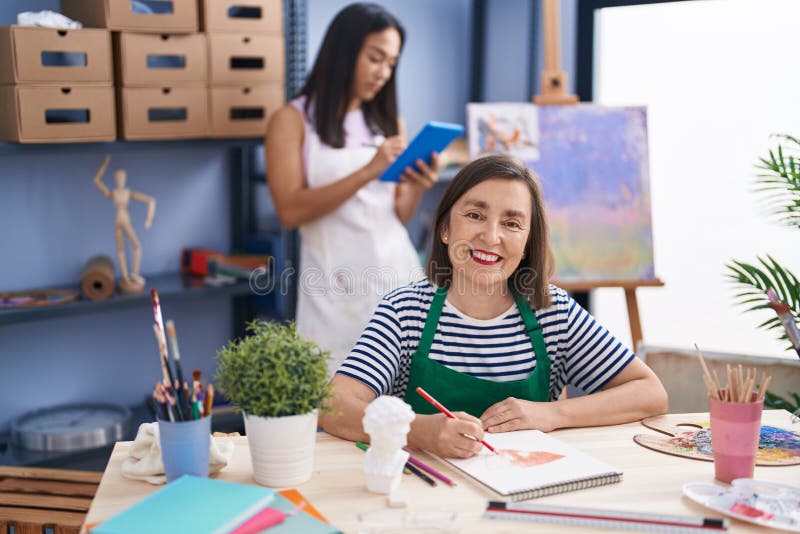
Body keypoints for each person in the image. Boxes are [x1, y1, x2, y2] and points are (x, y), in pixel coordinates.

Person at [319, 154, 668, 458]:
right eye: (474, 215)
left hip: (525, 493)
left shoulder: (554, 313)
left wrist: (552, 413)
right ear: (444, 228)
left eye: (512, 223)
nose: (491, 236)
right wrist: (418, 431)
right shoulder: (404, 312)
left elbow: (649, 393)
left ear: (528, 241)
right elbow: (333, 406)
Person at [265, 3, 437, 375]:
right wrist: (369, 169)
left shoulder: (388, 120)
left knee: (406, 404)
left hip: (397, 276)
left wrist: (418, 186)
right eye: (376, 58)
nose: (383, 73)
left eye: (391, 63)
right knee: (337, 403)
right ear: (344, 52)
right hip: (332, 287)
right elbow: (290, 211)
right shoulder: (291, 121)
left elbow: (396, 212)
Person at [92, 154, 156, 294]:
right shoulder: (114, 193)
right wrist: (105, 163)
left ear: (125, 178)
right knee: (127, 249)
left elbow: (150, 200)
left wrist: (149, 218)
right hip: (122, 219)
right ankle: (129, 275)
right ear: (115, 179)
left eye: (122, 177)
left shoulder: (127, 192)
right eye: (118, 177)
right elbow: (96, 180)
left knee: (133, 248)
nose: (120, 179)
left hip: (121, 219)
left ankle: (131, 274)